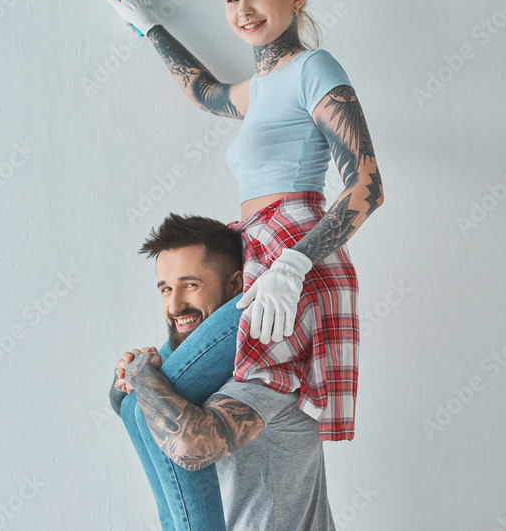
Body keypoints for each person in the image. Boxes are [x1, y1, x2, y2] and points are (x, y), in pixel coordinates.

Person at [105, 0, 385, 528]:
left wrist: (294, 264)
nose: (244, 9)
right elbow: (205, 91)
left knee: (156, 401)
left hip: (296, 258)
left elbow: (366, 184)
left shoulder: (314, 67)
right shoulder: (258, 90)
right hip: (260, 255)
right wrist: (149, 27)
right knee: (137, 405)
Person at [109, 213, 336, 530]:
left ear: (235, 286)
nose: (175, 306)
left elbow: (191, 445)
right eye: (165, 289)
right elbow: (130, 408)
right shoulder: (188, 368)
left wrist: (141, 377)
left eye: (191, 285)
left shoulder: (267, 371)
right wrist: (126, 376)